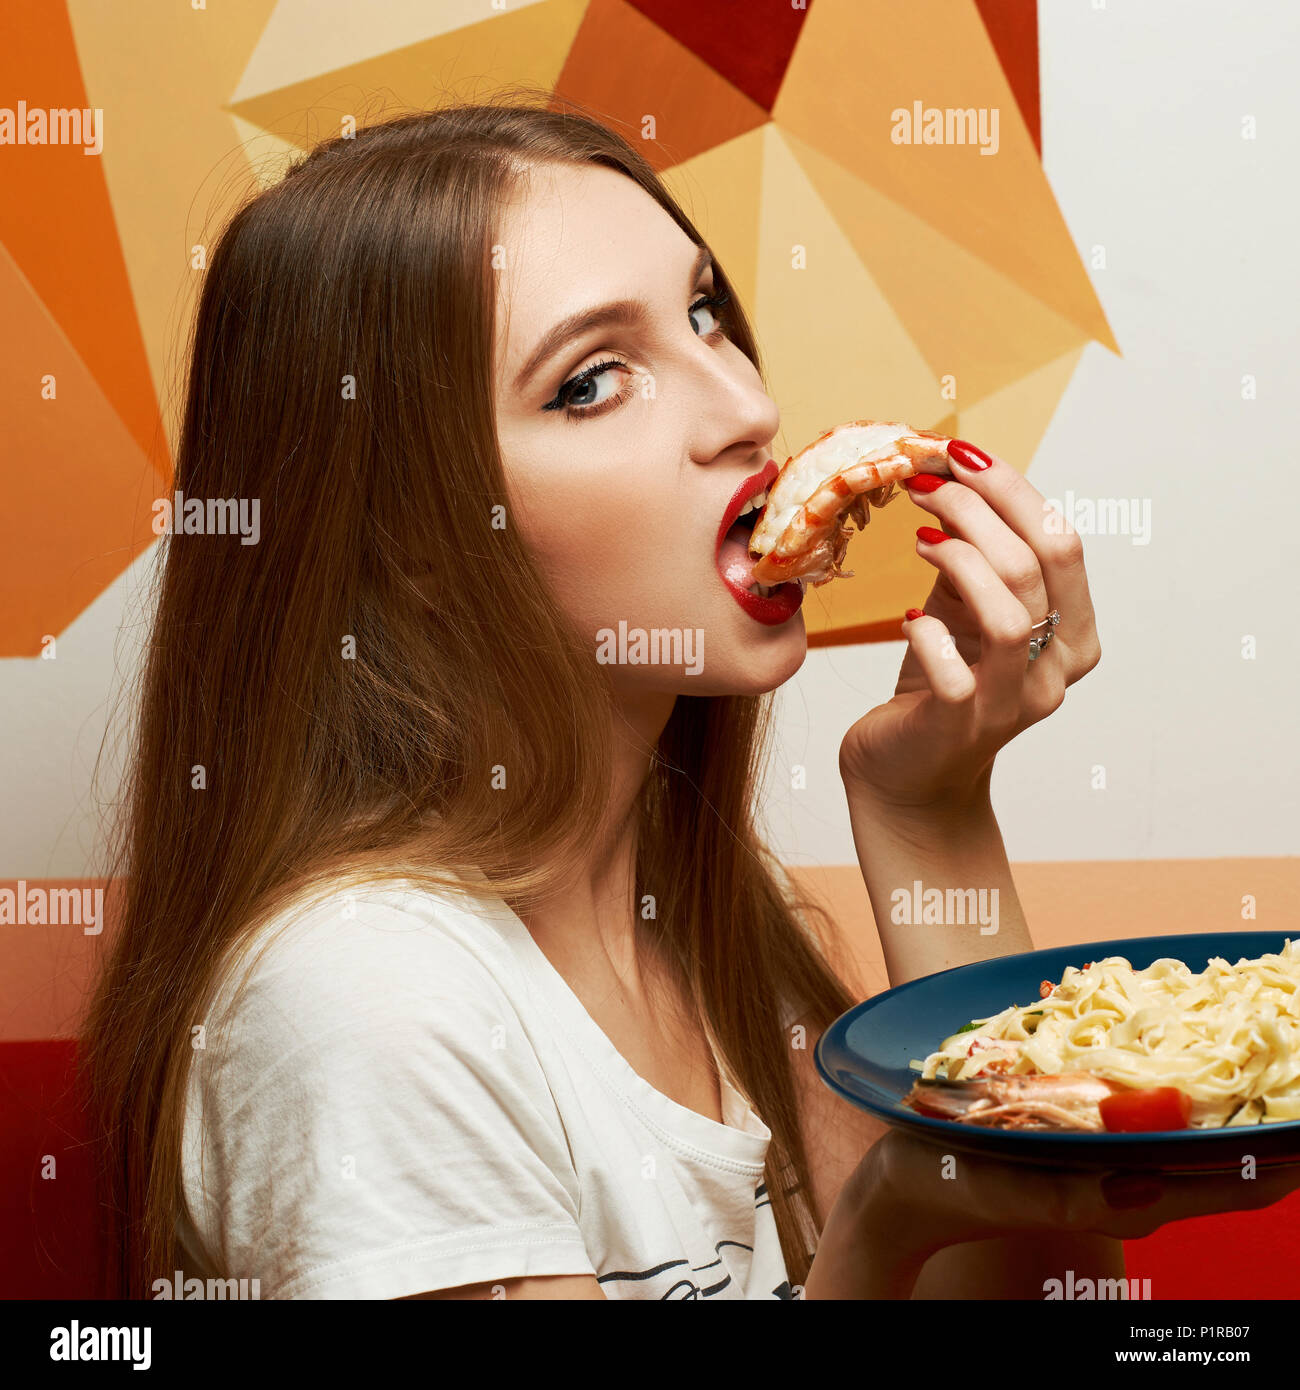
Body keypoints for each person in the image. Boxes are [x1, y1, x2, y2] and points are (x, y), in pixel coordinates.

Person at [80, 93, 1300, 1301]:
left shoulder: (725, 932)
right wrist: (880, 1228)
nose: (748, 410)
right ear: (414, 539)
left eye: (706, 314)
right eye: (592, 380)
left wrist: (930, 812)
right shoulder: (362, 1006)